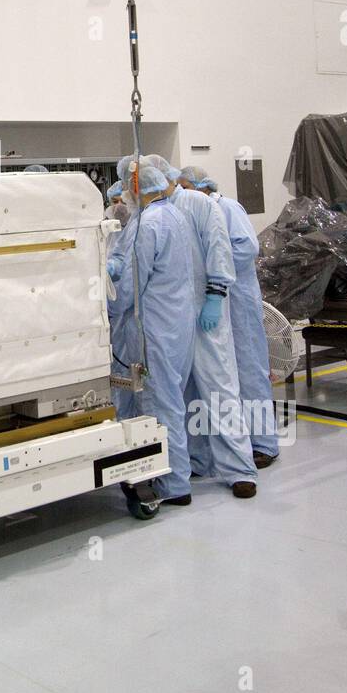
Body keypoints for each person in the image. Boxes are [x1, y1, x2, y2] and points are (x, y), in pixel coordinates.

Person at [138, 158, 255, 498]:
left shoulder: (196, 203)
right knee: (184, 394)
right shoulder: (154, 213)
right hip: (173, 318)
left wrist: (216, 295)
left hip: (206, 312)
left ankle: (239, 469)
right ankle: (197, 460)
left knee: (219, 388)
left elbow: (219, 249)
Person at [107, 161, 196, 505]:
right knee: (171, 401)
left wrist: (109, 307)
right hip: (176, 324)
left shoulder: (147, 223)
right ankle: (176, 478)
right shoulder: (174, 215)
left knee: (159, 405)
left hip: (153, 328)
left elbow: (130, 285)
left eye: (126, 188)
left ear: (135, 188)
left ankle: (173, 485)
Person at [181, 167, 278, 467]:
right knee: (218, 376)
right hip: (213, 299)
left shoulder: (228, 207)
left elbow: (246, 248)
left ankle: (264, 443)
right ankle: (216, 447)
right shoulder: (197, 212)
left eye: (186, 186)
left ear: (201, 185)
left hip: (238, 301)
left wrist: (214, 273)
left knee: (249, 369)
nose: (183, 193)